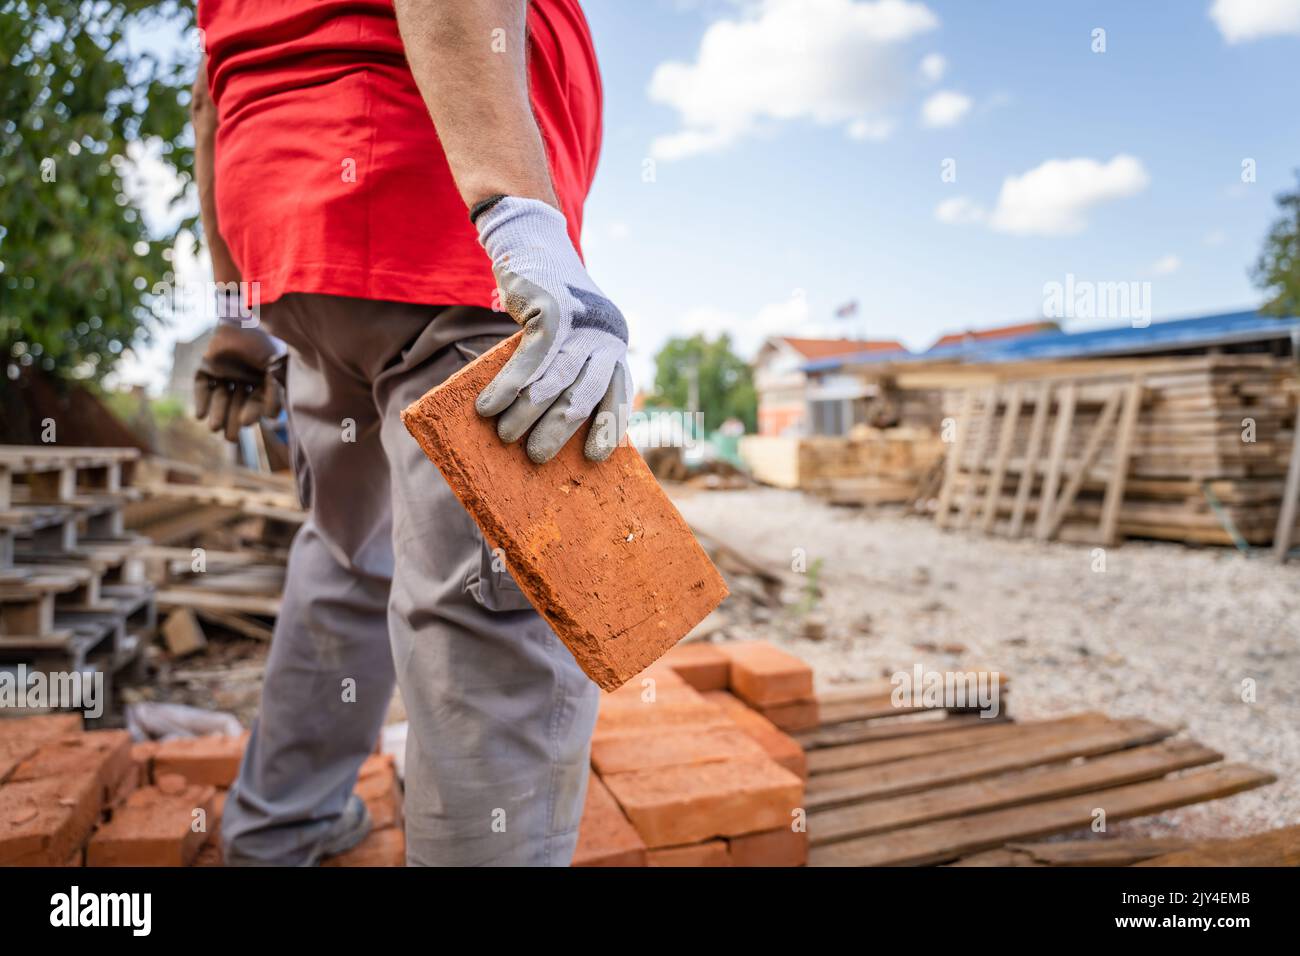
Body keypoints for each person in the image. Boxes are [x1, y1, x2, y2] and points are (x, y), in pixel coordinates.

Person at [189, 0, 628, 866]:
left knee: (350, 560)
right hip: (439, 232)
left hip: (295, 253)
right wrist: (525, 225)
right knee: (502, 612)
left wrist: (233, 309)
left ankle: (283, 828)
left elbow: (210, 101)